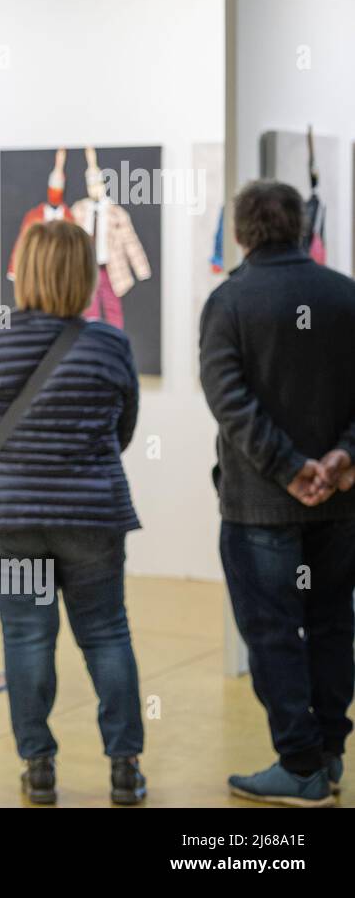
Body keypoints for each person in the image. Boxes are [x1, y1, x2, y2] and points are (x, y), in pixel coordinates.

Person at [0, 220, 145, 806]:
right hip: (93, 516)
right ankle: (124, 769)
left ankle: (38, 769)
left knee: (26, 637)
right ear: (85, 277)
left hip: (11, 517)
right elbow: (125, 429)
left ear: (27, 271)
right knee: (107, 634)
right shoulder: (110, 342)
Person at [200, 179, 355, 808]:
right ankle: (329, 752)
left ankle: (298, 765)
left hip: (261, 505)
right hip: (341, 502)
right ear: (301, 226)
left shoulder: (230, 301)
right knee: (329, 625)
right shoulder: (344, 294)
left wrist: (290, 469)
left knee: (271, 633)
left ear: (240, 232)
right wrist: (343, 456)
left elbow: (228, 401)